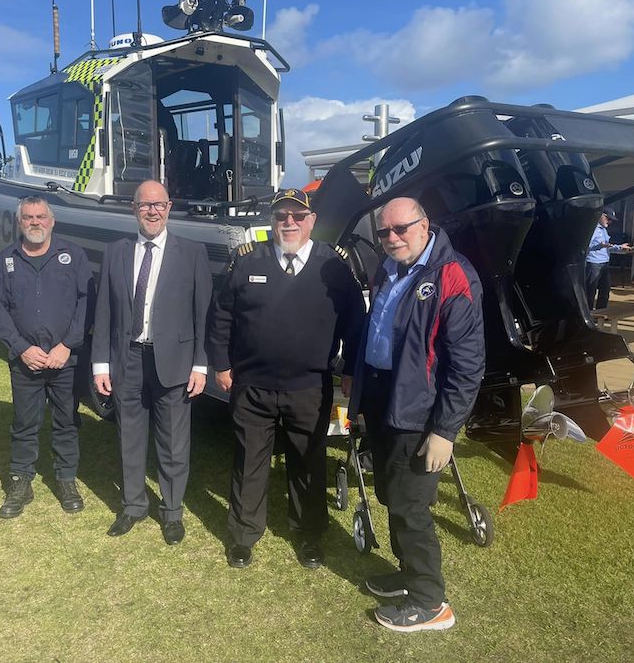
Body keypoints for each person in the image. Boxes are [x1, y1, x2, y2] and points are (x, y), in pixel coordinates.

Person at [207, 188, 365, 569]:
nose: (289, 223)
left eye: (298, 216)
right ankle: (244, 535)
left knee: (307, 460)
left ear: (312, 220)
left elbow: (356, 322)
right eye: (281, 216)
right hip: (252, 386)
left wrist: (351, 372)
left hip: (309, 388)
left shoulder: (334, 265)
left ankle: (309, 534)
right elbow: (222, 316)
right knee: (249, 461)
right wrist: (222, 365)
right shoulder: (246, 261)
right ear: (272, 221)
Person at [347, 196, 485, 632]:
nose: (391, 238)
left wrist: (445, 430)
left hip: (421, 411)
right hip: (384, 400)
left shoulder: (452, 275)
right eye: (383, 232)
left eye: (401, 229)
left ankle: (431, 602)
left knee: (411, 506)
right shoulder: (387, 268)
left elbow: (466, 364)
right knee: (391, 494)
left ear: (425, 225)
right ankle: (408, 574)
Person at [92, 180, 212, 544]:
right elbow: (104, 312)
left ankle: (172, 511)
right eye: (145, 205)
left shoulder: (192, 252)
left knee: (174, 441)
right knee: (129, 436)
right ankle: (133, 505)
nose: (152, 211)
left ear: (170, 207)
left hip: (174, 361)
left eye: (159, 205)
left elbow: (203, 313)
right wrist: (100, 364)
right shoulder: (115, 252)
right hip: (126, 358)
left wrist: (201, 364)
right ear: (134, 209)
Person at [0, 196, 93, 519]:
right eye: (29, 217)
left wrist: (67, 346)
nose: (35, 222)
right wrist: (21, 348)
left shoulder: (73, 256)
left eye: (41, 217)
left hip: (65, 360)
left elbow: (86, 304)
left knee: (66, 421)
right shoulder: (5, 260)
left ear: (52, 221)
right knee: (24, 423)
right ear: (20, 222)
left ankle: (65, 479)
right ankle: (21, 481)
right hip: (26, 361)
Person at [586, 208, 630, 310]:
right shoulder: (592, 229)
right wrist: (599, 246)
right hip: (593, 263)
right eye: (608, 218)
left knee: (605, 289)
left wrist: (619, 247)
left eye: (611, 220)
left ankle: (601, 313)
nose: (609, 222)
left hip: (605, 263)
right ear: (601, 215)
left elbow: (607, 245)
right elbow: (584, 246)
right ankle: (588, 314)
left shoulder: (604, 229)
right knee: (590, 291)